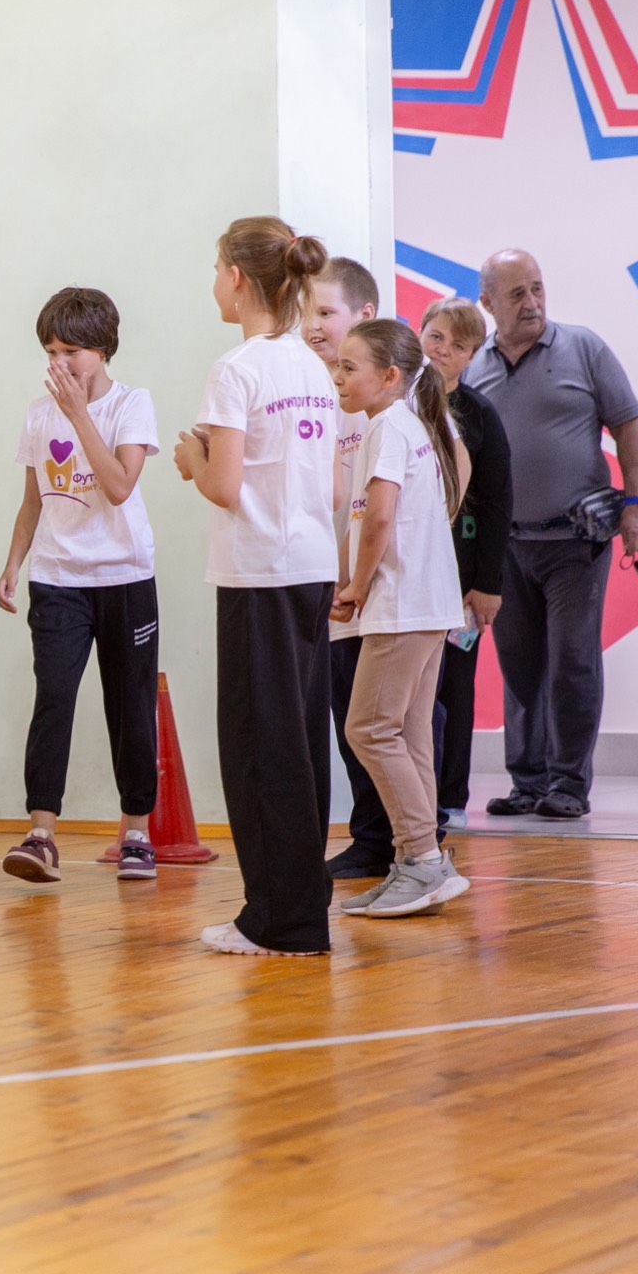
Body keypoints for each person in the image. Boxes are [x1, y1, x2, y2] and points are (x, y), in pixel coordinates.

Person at [173, 216, 336, 957]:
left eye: (216, 268)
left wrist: (190, 461)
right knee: (299, 741)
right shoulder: (310, 364)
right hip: (309, 563)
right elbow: (331, 487)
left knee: (258, 745)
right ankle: (302, 906)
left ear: (237, 279)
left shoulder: (235, 369)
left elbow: (226, 484)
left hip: (257, 573)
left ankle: (275, 919)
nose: (213, 283)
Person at [465, 250, 638, 819]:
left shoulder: (584, 348)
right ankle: (527, 782)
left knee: (572, 660)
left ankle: (568, 784)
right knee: (519, 664)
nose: (532, 303)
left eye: (538, 289)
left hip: (576, 540)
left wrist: (637, 505)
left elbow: (628, 430)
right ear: (489, 303)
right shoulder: (475, 367)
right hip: (506, 545)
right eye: (517, 293)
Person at [0, 287, 162, 883]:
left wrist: (79, 416)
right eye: (51, 351)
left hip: (124, 576)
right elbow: (32, 500)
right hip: (58, 578)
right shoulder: (39, 416)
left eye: (72, 351)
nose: (60, 364)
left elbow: (119, 486)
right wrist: (15, 562)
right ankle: (41, 835)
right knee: (54, 701)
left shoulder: (132, 405)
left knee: (131, 706)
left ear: (103, 349)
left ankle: (137, 834)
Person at [330, 321, 469, 918]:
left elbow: (380, 518)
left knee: (368, 728)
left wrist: (356, 587)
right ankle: (418, 864)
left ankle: (421, 859)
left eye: (349, 367)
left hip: (402, 605)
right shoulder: (408, 425)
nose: (338, 378)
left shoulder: (387, 427)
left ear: (389, 377)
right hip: (426, 604)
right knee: (408, 735)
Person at [302, 258, 394, 880]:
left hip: (377, 590)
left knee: (382, 726)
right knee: (347, 721)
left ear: (365, 315)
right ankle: (371, 838)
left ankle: (408, 840)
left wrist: (360, 576)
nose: (312, 327)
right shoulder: (319, 394)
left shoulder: (385, 403)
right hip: (332, 586)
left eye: (325, 313)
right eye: (306, 313)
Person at [420, 297, 512, 819]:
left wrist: (488, 583)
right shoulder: (396, 401)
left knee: (454, 685)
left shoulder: (481, 415)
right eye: (436, 337)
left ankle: (449, 798)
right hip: (405, 573)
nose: (444, 351)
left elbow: (500, 502)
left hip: (462, 576)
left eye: (458, 346)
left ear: (472, 355)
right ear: (420, 333)